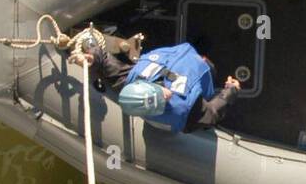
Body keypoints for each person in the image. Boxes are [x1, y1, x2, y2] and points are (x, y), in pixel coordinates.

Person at [75, 41, 240, 133]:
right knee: (211, 70)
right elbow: (213, 112)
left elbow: (105, 61)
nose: (167, 94)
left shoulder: (127, 80)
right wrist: (231, 90)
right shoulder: (187, 112)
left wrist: (92, 55)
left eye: (159, 92)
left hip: (181, 57)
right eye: (163, 99)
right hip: (202, 73)